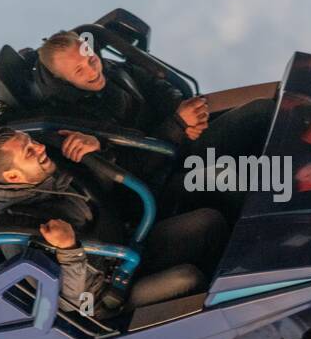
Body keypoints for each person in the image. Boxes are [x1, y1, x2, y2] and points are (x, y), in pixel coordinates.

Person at [0, 127, 229, 312]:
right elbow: (74, 302)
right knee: (188, 278)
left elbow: (105, 188)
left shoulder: (49, 169)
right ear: (12, 177)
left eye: (31, 141)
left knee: (209, 222)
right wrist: (68, 251)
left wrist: (99, 149)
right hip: (104, 295)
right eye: (29, 151)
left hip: (126, 250)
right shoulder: (19, 229)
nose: (40, 147)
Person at [27, 31, 275, 211]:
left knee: (259, 111)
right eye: (79, 71)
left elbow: (159, 89)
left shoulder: (116, 72)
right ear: (62, 81)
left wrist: (187, 117)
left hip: (180, 147)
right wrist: (177, 125)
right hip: (156, 185)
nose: (93, 70)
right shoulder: (72, 122)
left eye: (91, 59)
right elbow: (131, 167)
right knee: (230, 178)